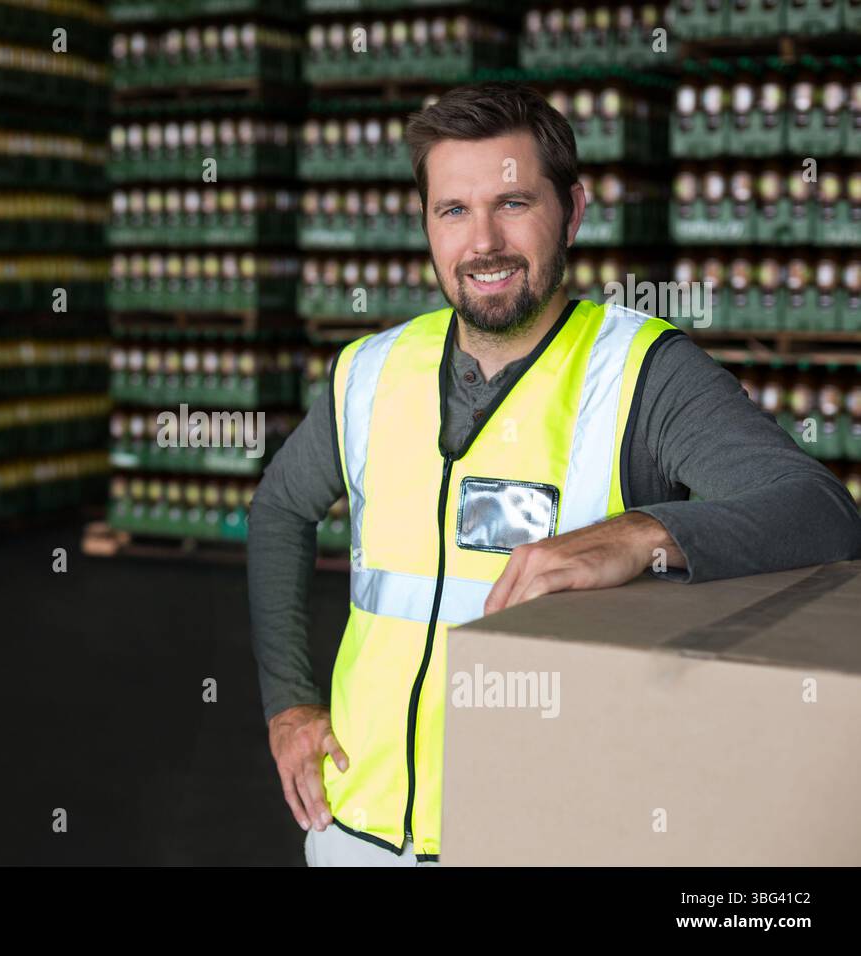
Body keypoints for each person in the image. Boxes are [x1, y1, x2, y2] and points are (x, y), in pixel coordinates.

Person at [247, 82, 861, 868]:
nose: (484, 243)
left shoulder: (643, 373)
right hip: (353, 823)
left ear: (572, 210)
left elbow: (821, 512)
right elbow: (278, 512)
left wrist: (646, 534)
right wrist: (289, 703)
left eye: (513, 202)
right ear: (427, 225)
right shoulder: (369, 373)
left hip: (544, 828)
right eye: (454, 210)